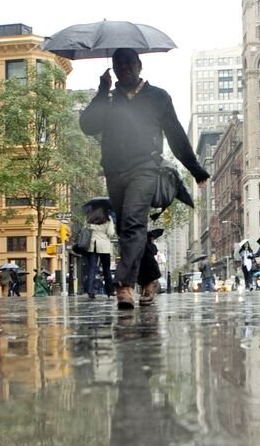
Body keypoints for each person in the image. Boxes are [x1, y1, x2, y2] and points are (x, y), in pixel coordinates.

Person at [79, 48, 209, 310]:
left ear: (139, 65)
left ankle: (124, 286)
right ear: (113, 69)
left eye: (128, 63)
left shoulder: (158, 97)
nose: (123, 67)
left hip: (146, 167)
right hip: (115, 170)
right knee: (130, 228)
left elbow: (176, 135)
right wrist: (101, 92)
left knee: (132, 222)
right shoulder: (111, 99)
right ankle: (150, 278)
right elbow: (88, 125)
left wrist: (195, 169)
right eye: (118, 64)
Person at [84, 203, 116, 298]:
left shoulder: (89, 218)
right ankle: (109, 291)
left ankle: (90, 290)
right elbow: (110, 233)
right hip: (104, 246)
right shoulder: (108, 218)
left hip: (92, 245)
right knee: (106, 269)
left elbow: (85, 229)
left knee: (92, 269)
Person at [137, 229, 164, 306]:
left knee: (144, 281)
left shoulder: (142, 245)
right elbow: (154, 251)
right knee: (150, 279)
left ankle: (145, 292)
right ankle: (148, 292)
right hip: (150, 268)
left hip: (143, 268)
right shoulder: (151, 246)